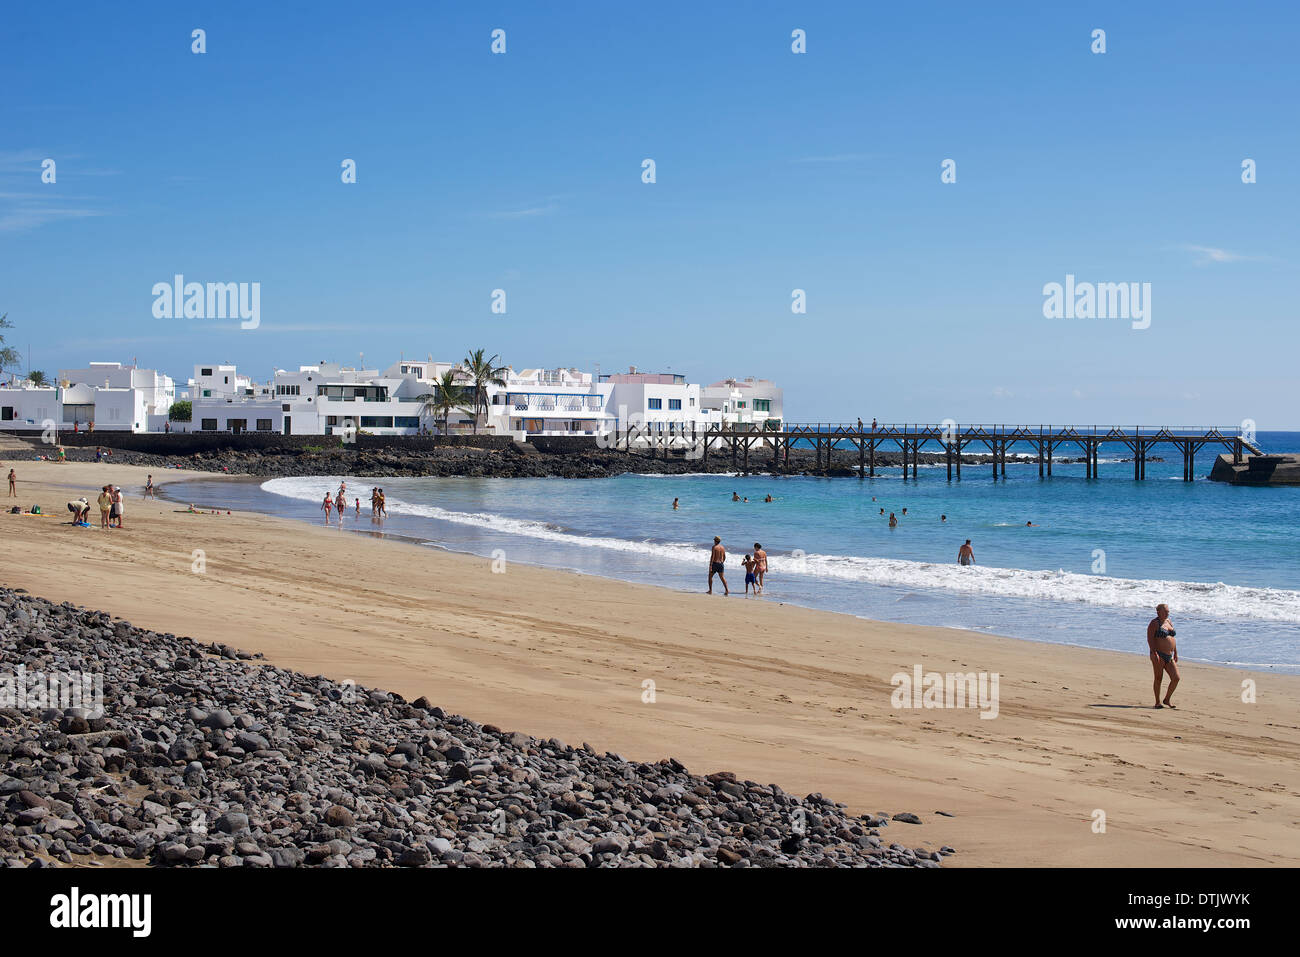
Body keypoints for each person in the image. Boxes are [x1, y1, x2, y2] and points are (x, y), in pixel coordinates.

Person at [1147, 604, 1179, 708]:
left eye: (1168, 611)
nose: (1167, 613)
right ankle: (1157, 702)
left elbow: (1172, 638)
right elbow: (1150, 639)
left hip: (1169, 655)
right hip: (1158, 654)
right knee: (1158, 678)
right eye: (1165, 611)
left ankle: (1167, 699)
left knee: (1176, 678)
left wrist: (1176, 652)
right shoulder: (1154, 623)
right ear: (1158, 612)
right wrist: (1154, 652)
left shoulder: (1168, 621)